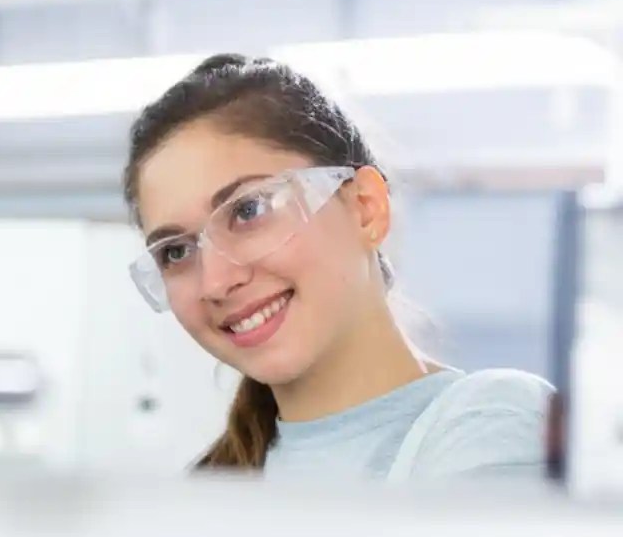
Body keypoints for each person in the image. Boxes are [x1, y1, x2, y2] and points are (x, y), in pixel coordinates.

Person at [122, 53, 554, 481]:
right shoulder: (208, 492)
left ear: (365, 208)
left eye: (249, 210)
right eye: (175, 252)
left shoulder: (493, 421)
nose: (215, 281)